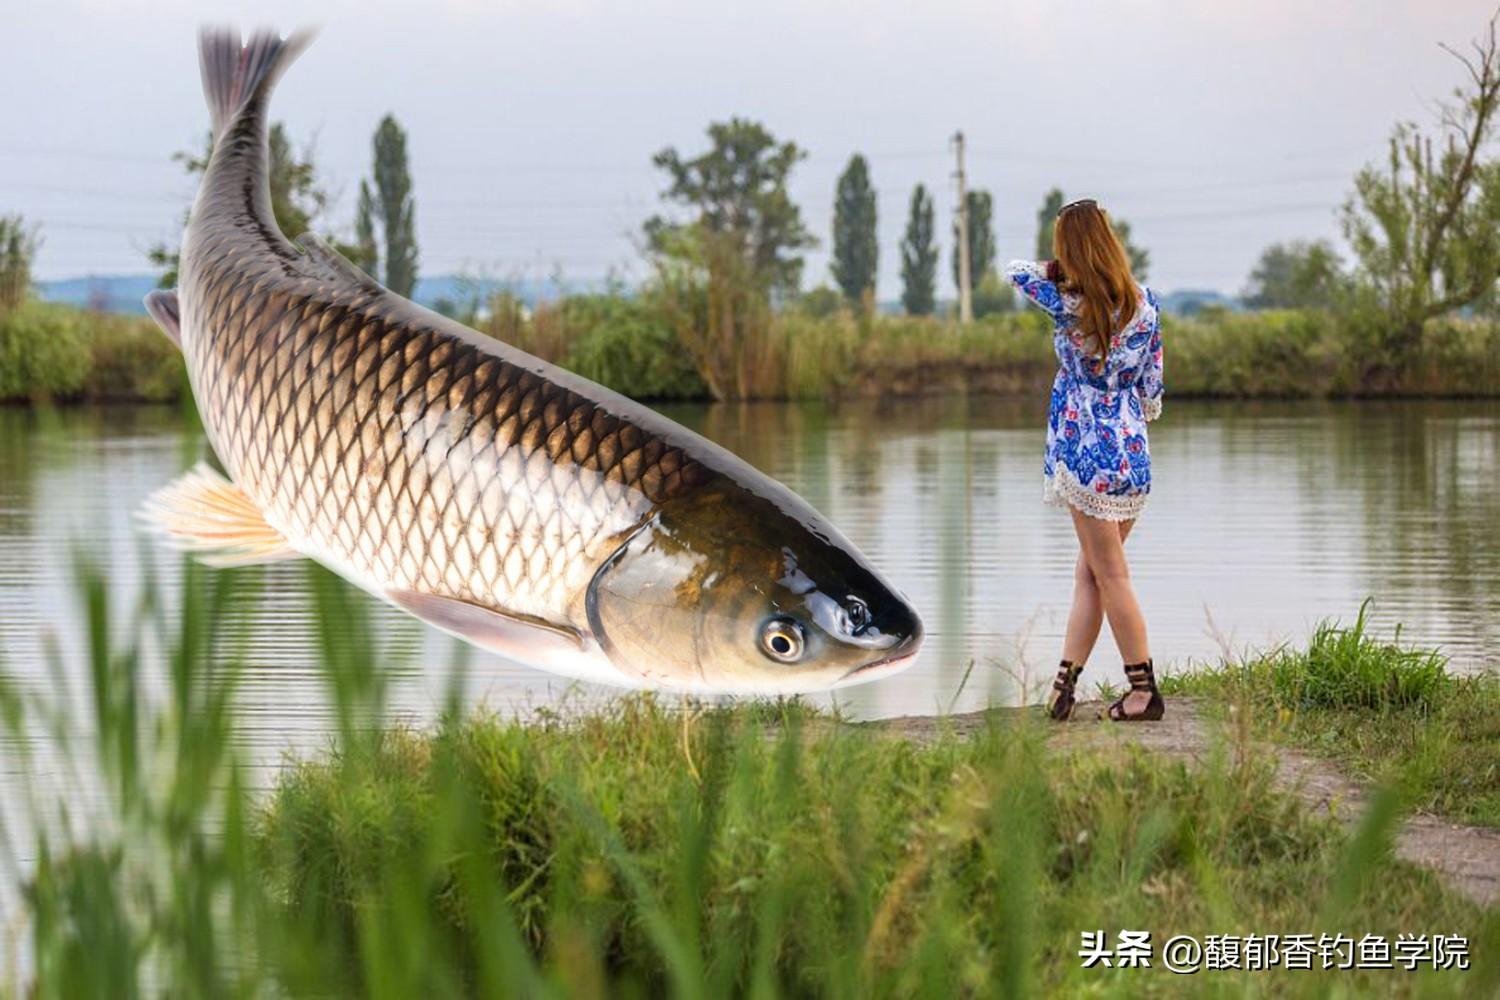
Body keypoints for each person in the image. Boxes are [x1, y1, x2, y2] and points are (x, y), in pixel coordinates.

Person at [1004, 199, 1165, 722]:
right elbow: (1151, 389)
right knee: (1092, 573)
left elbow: (1013, 271)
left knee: (1110, 575)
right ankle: (1063, 689)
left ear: (1070, 252)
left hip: (1085, 449)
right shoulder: (1147, 305)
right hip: (1130, 448)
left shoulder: (1066, 301)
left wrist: (1059, 269)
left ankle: (1143, 691)